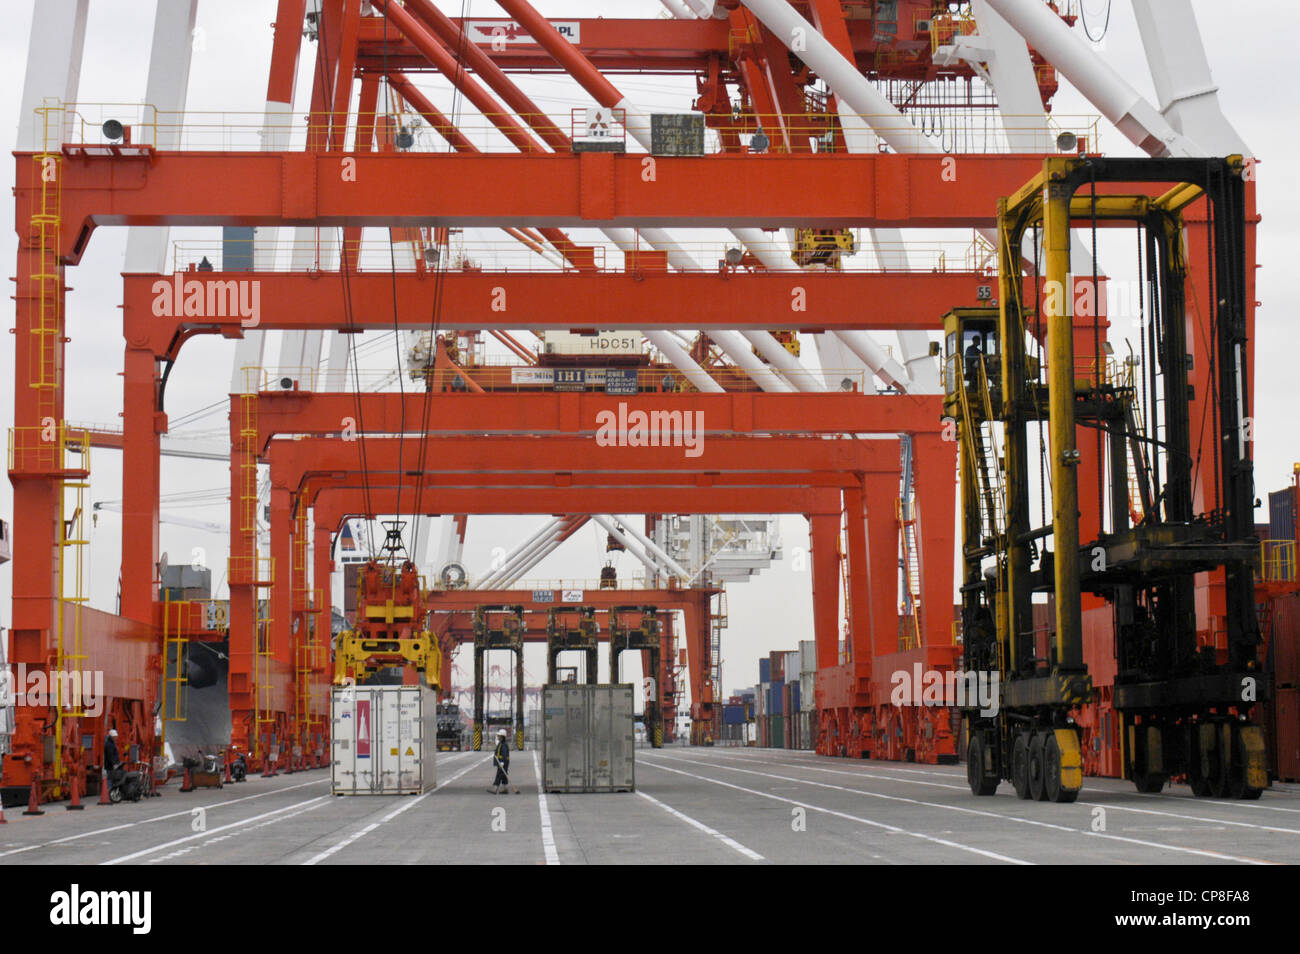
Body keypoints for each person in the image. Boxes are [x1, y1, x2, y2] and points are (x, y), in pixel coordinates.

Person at [488, 728, 511, 794]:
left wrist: (502, 762)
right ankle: (505, 789)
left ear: (502, 737)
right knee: (503, 775)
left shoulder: (503, 744)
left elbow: (504, 754)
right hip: (502, 762)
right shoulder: (501, 743)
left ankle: (495, 788)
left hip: (503, 762)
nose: (498, 736)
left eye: (499, 735)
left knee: (499, 775)